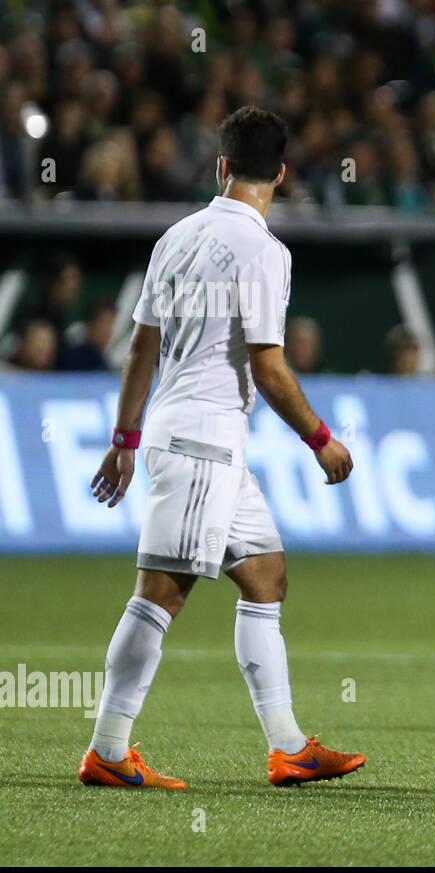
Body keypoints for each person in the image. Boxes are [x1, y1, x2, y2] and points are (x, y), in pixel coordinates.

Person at [80, 106, 365, 789]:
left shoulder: (175, 238)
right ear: (283, 174)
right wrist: (320, 439)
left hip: (196, 440)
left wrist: (125, 439)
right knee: (160, 594)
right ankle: (109, 750)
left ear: (223, 166)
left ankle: (289, 745)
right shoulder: (265, 251)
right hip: (205, 443)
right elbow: (268, 365)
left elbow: (141, 347)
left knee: (266, 575)